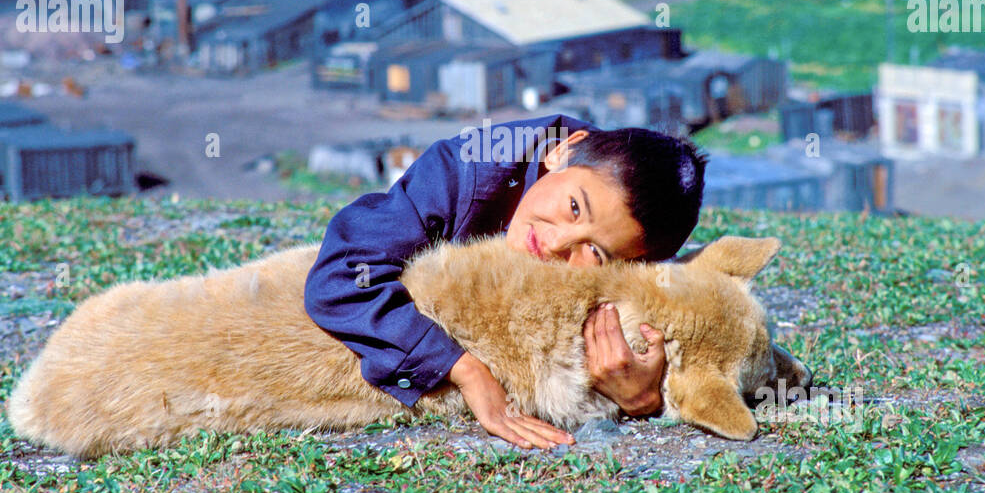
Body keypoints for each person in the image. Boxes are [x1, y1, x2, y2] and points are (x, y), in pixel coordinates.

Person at [303, 113, 708, 450]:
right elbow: (340, 277)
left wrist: (643, 395)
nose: (556, 244)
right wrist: (465, 371)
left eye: (596, 252)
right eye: (572, 208)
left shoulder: (624, 253)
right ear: (562, 152)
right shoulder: (463, 170)